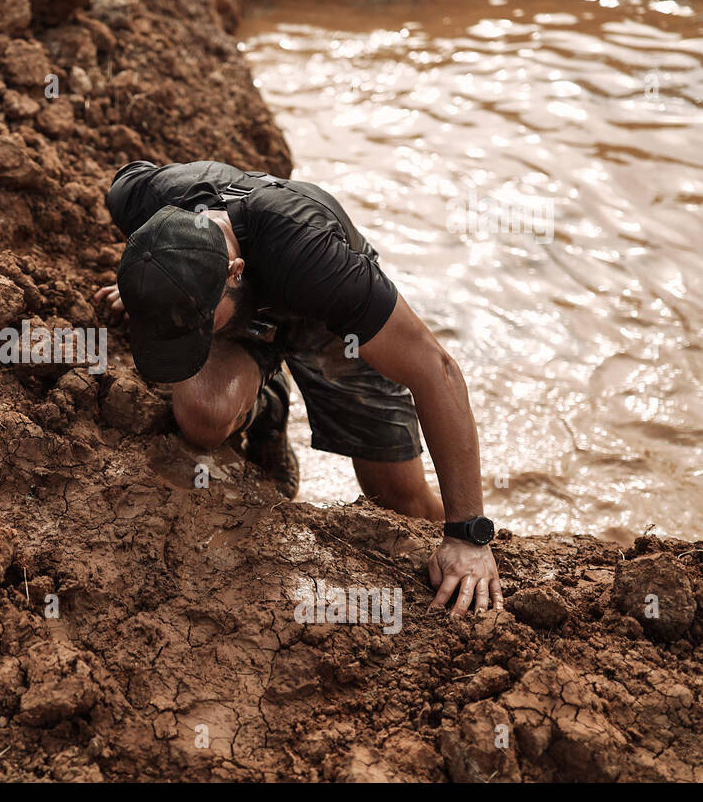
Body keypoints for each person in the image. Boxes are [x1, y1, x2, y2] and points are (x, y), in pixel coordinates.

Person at [95, 159, 501, 615]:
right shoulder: (145, 196)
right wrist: (152, 288)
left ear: (235, 271)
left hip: (330, 327)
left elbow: (436, 369)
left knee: (397, 500)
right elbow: (132, 194)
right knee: (202, 418)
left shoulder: (317, 258)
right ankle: (268, 407)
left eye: (199, 324)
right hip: (244, 322)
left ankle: (469, 548)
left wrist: (467, 532)